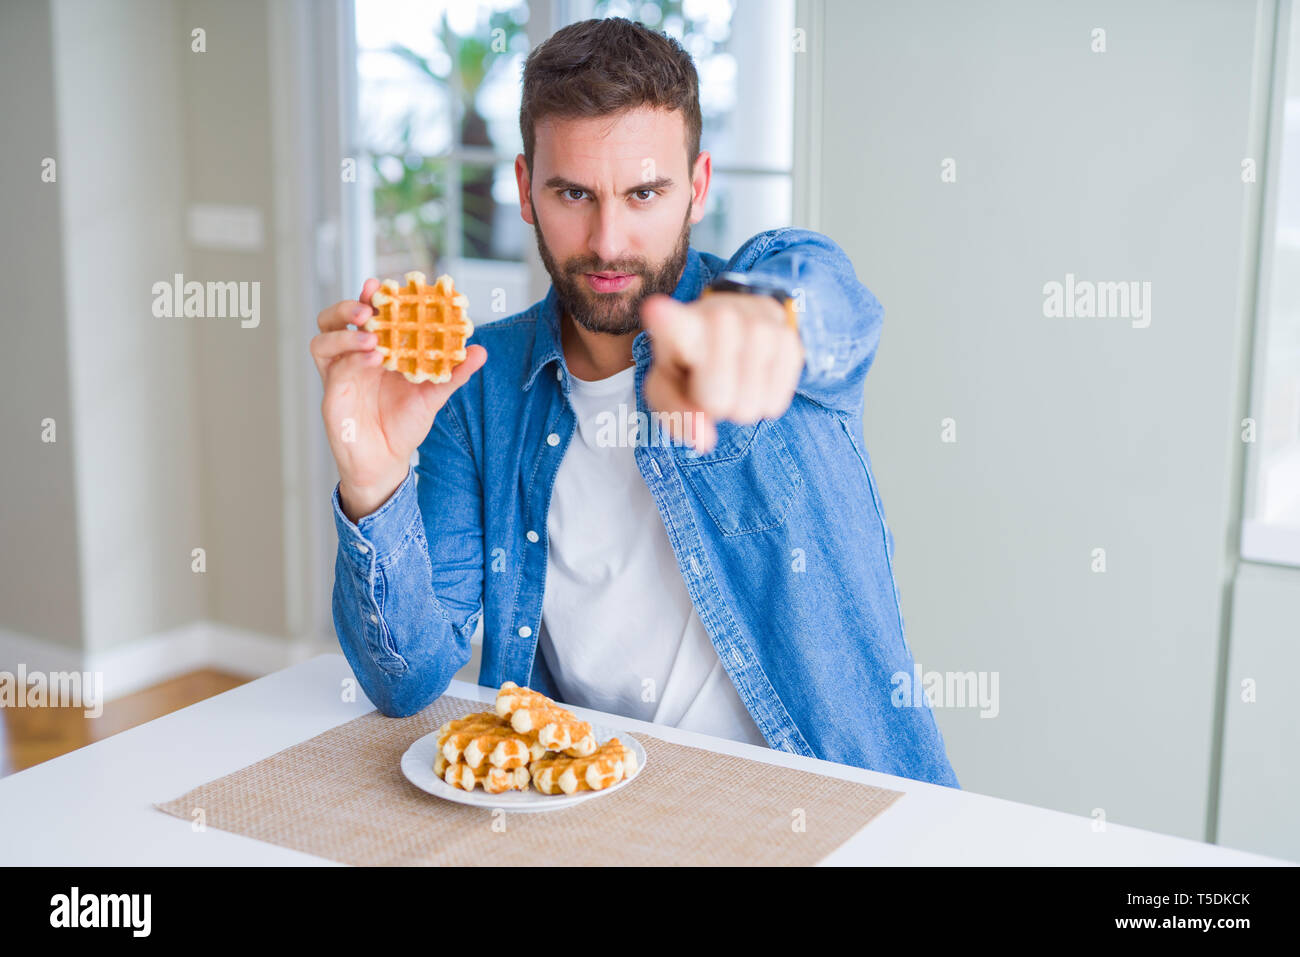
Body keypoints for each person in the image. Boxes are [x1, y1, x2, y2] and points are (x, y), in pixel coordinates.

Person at [310, 17, 959, 788]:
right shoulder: (473, 385)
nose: (609, 240)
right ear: (525, 189)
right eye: (574, 192)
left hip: (830, 801)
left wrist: (768, 325)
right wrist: (371, 478)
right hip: (597, 807)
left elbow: (832, 302)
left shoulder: (758, 301)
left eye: (645, 192)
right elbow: (405, 683)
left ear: (699, 186)